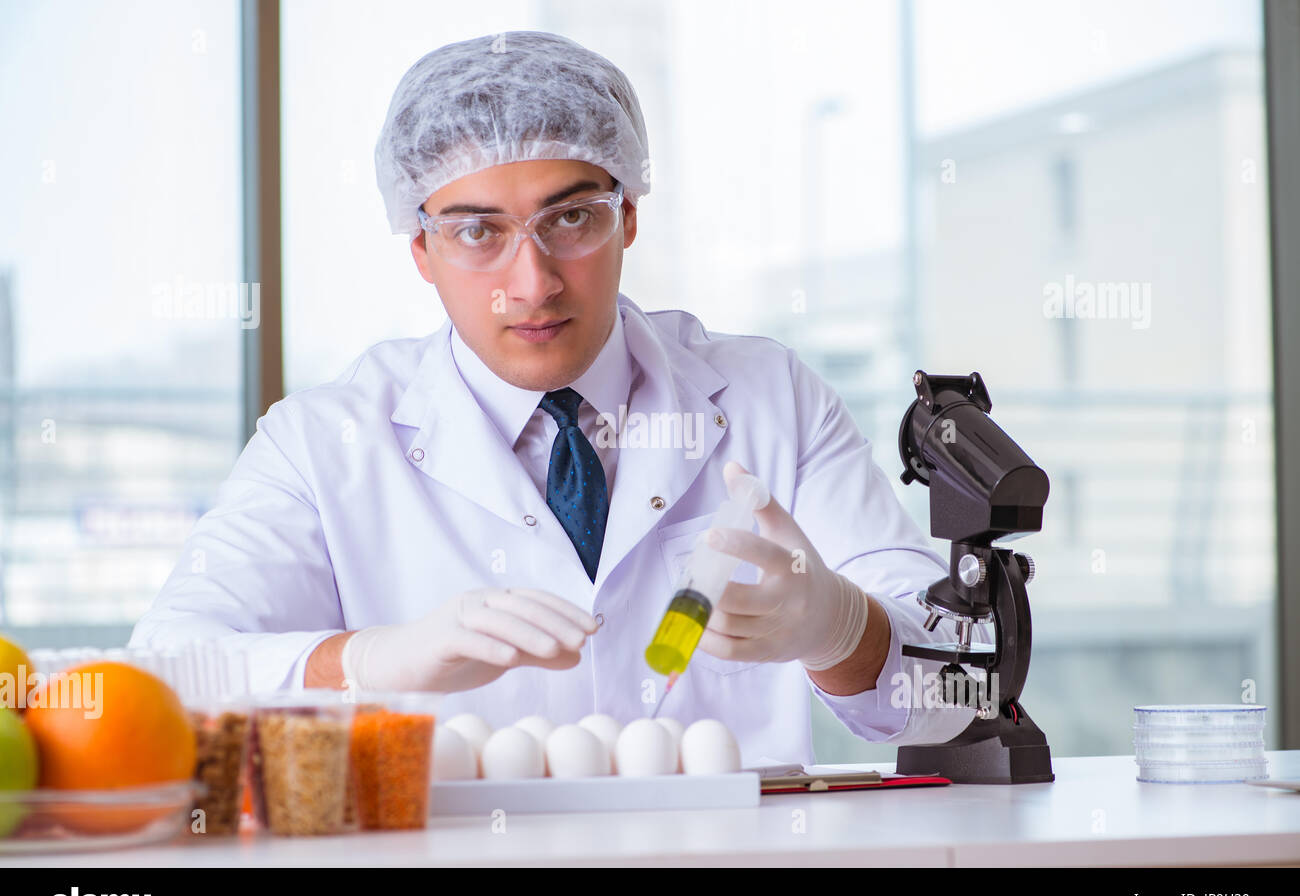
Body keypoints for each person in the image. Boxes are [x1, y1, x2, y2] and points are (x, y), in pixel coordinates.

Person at [130, 30, 979, 766]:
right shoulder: (321, 444)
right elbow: (166, 673)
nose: (531, 283)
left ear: (629, 217)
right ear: (419, 248)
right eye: (476, 231)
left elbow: (963, 690)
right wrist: (372, 660)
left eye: (571, 218)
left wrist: (842, 631)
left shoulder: (770, 397)